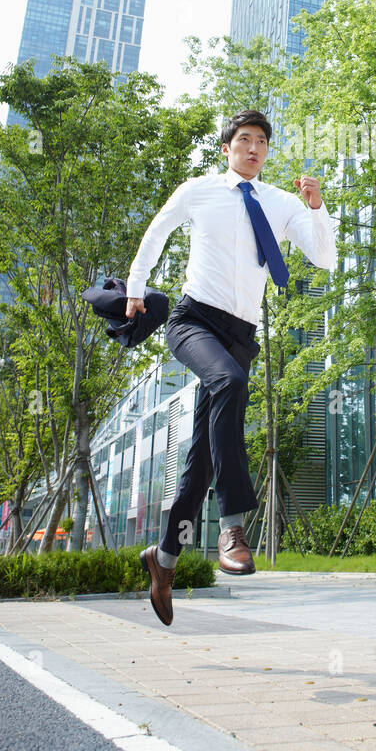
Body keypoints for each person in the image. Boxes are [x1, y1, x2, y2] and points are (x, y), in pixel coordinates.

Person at [125, 109, 336, 624]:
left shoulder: (282, 204)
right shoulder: (199, 190)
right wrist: (134, 289)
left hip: (241, 335)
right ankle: (233, 526)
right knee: (229, 381)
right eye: (245, 139)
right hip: (194, 320)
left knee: (198, 461)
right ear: (227, 147)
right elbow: (157, 234)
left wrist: (317, 208)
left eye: (262, 141)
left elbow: (324, 258)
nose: (254, 148)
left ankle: (165, 557)